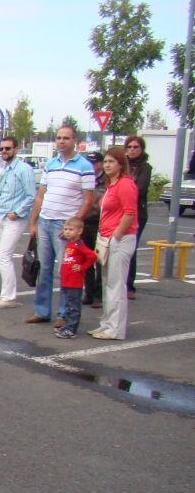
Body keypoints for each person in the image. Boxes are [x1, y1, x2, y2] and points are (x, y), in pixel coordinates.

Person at [27, 125, 95, 327]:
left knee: (65, 271)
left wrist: (74, 225)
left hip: (64, 225)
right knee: (44, 268)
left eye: (66, 138)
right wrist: (33, 221)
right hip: (46, 221)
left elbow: (88, 200)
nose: (61, 141)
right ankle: (42, 311)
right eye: (58, 138)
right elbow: (41, 195)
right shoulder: (51, 164)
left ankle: (64, 314)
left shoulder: (84, 166)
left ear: (74, 140)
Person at [91, 146, 138, 340]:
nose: (108, 165)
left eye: (112, 161)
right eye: (106, 161)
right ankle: (106, 324)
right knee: (107, 283)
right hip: (105, 238)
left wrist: (115, 237)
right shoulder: (112, 184)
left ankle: (115, 329)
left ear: (120, 164)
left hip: (119, 239)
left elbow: (129, 213)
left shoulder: (126, 184)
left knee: (116, 285)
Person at [0, 136, 36, 308]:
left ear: (16, 149)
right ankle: (5, 293)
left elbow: (31, 196)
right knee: (1, 255)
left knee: (4, 255)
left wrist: (17, 212)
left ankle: (9, 297)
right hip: (0, 214)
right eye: (2, 149)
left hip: (14, 218)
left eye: (8, 148)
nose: (4, 152)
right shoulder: (6, 168)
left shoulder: (24, 169)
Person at [55, 217, 97, 339]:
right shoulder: (70, 244)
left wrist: (82, 267)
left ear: (79, 231)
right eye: (66, 229)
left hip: (74, 282)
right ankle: (67, 326)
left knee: (73, 306)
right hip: (67, 281)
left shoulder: (79, 245)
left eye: (71, 229)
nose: (67, 232)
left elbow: (92, 256)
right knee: (68, 305)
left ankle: (71, 329)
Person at [123, 135, 152, 300]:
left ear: (141, 149)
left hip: (137, 213)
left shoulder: (145, 168)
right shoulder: (121, 165)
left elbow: (139, 189)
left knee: (130, 249)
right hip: (119, 212)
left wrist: (124, 190)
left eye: (136, 147)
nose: (132, 150)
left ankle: (129, 285)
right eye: (130, 147)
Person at [81, 152, 106, 308]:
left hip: (100, 222)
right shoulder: (84, 178)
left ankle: (99, 294)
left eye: (95, 162)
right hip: (85, 220)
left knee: (100, 260)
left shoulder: (107, 180)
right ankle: (89, 292)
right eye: (89, 162)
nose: (92, 166)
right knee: (86, 258)